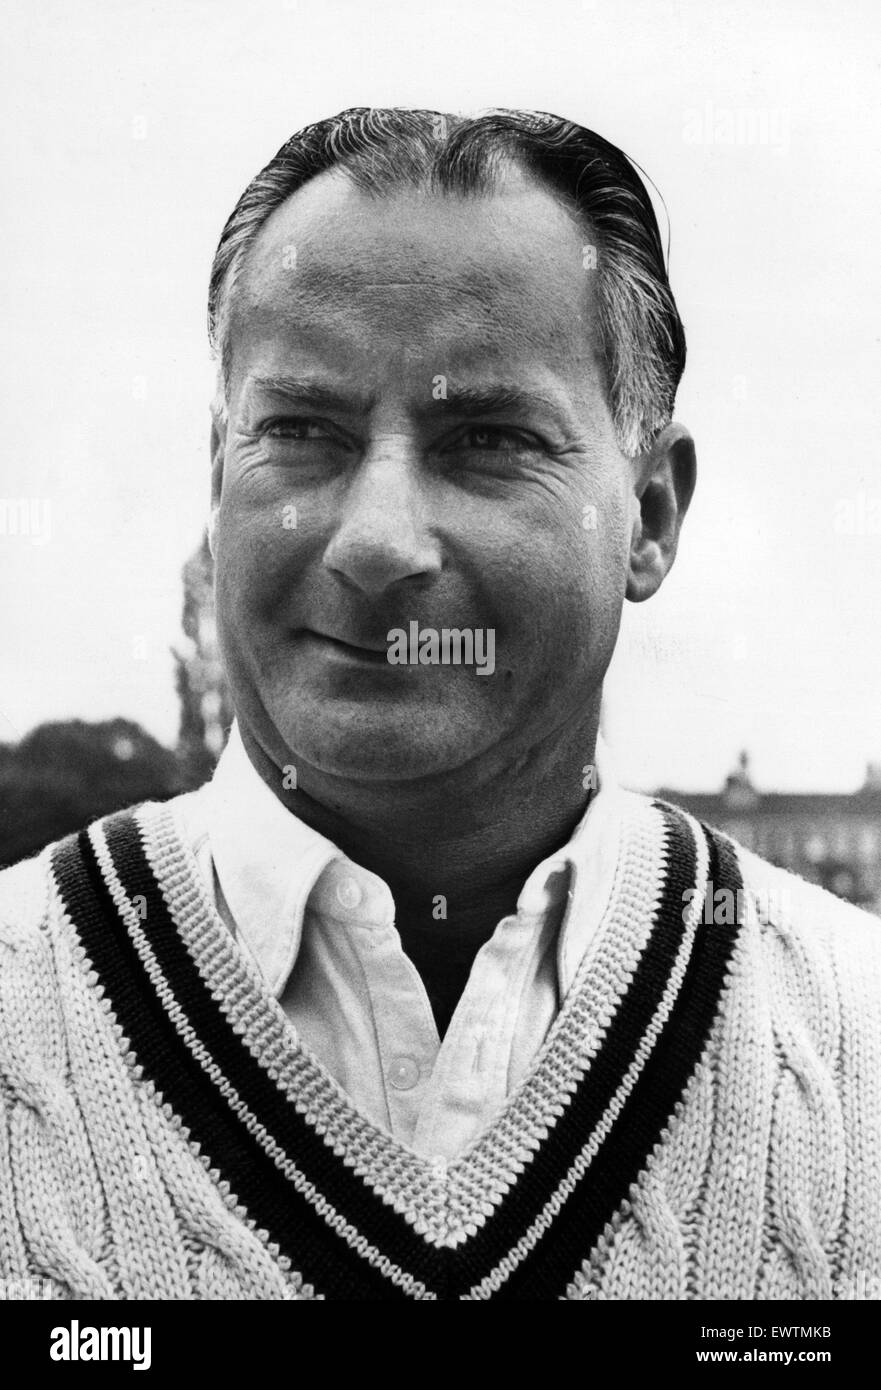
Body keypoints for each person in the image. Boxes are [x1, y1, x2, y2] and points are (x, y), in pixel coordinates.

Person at [1, 107, 878, 1302]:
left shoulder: (856, 1056)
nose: (375, 541)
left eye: (486, 438)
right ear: (217, 479)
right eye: (301, 430)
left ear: (652, 514)